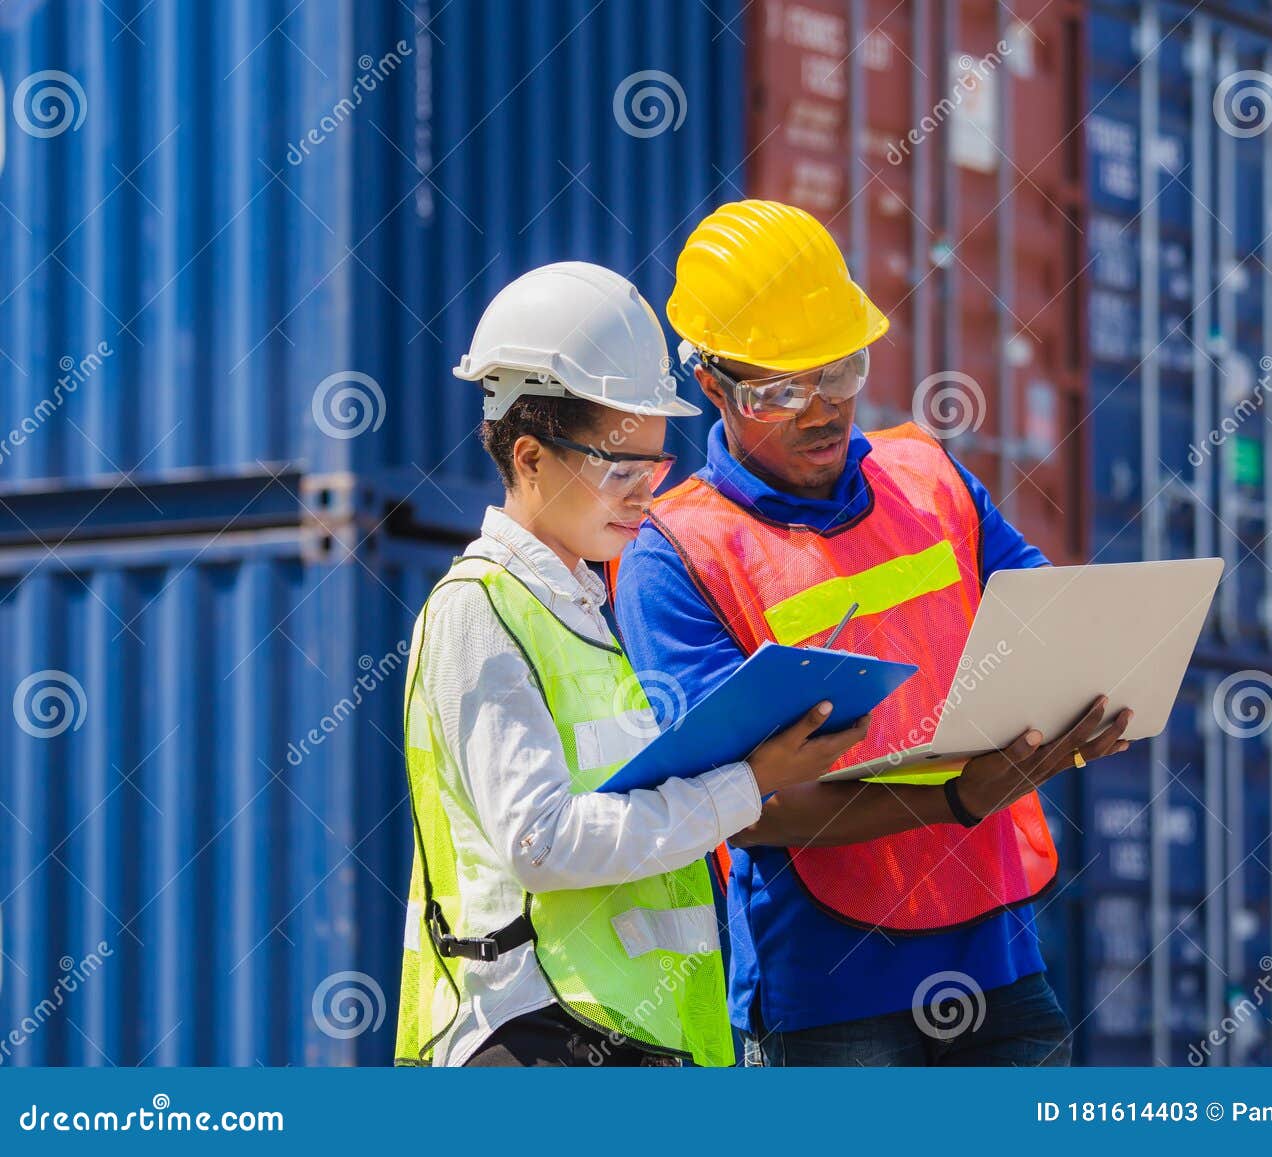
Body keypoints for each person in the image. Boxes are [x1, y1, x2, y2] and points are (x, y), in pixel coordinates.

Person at [614, 201, 1134, 1067]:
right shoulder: (676, 555)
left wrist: (1086, 702)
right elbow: (744, 806)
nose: (821, 408)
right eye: (781, 389)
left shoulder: (929, 477)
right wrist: (959, 799)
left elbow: (1048, 621)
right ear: (711, 383)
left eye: (840, 369)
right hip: (829, 995)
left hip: (1000, 957)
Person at [393, 261, 868, 1068]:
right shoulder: (479, 607)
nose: (645, 495)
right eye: (620, 470)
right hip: (532, 1036)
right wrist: (745, 784)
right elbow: (540, 841)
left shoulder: (583, 615)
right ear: (532, 457)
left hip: (626, 1039)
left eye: (654, 468)